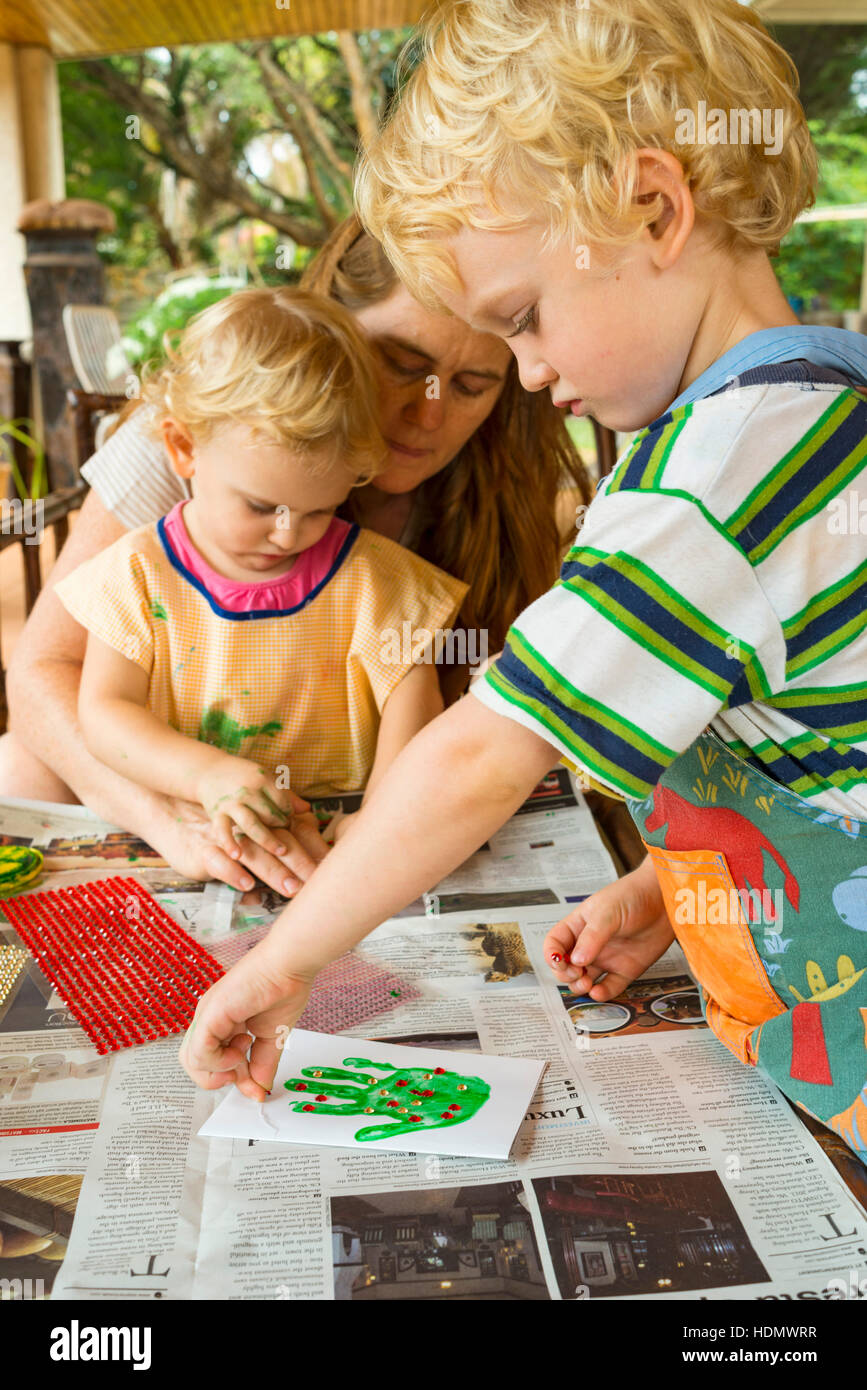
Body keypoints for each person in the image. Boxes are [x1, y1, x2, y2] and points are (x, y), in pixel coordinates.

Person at [179, 0, 867, 1163]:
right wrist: (673, 886)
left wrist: (283, 958)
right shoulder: (826, 403)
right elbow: (816, 745)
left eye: (527, 318)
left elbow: (486, 749)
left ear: (653, 210)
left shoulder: (715, 481)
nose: (531, 370)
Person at [1, 213, 589, 899]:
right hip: (177, 804)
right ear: (329, 331)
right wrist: (172, 814)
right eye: (401, 365)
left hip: (341, 807)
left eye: (469, 386)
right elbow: (46, 675)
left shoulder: (439, 539)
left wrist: (380, 827)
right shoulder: (201, 442)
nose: (427, 415)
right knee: (18, 766)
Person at [53, 287, 466, 872]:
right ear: (183, 448)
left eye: (319, 510)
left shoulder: (376, 582)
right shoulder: (137, 575)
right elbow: (104, 713)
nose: (287, 536)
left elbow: (413, 706)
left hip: (335, 834)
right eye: (258, 506)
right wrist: (206, 775)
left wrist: (382, 815)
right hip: (193, 830)